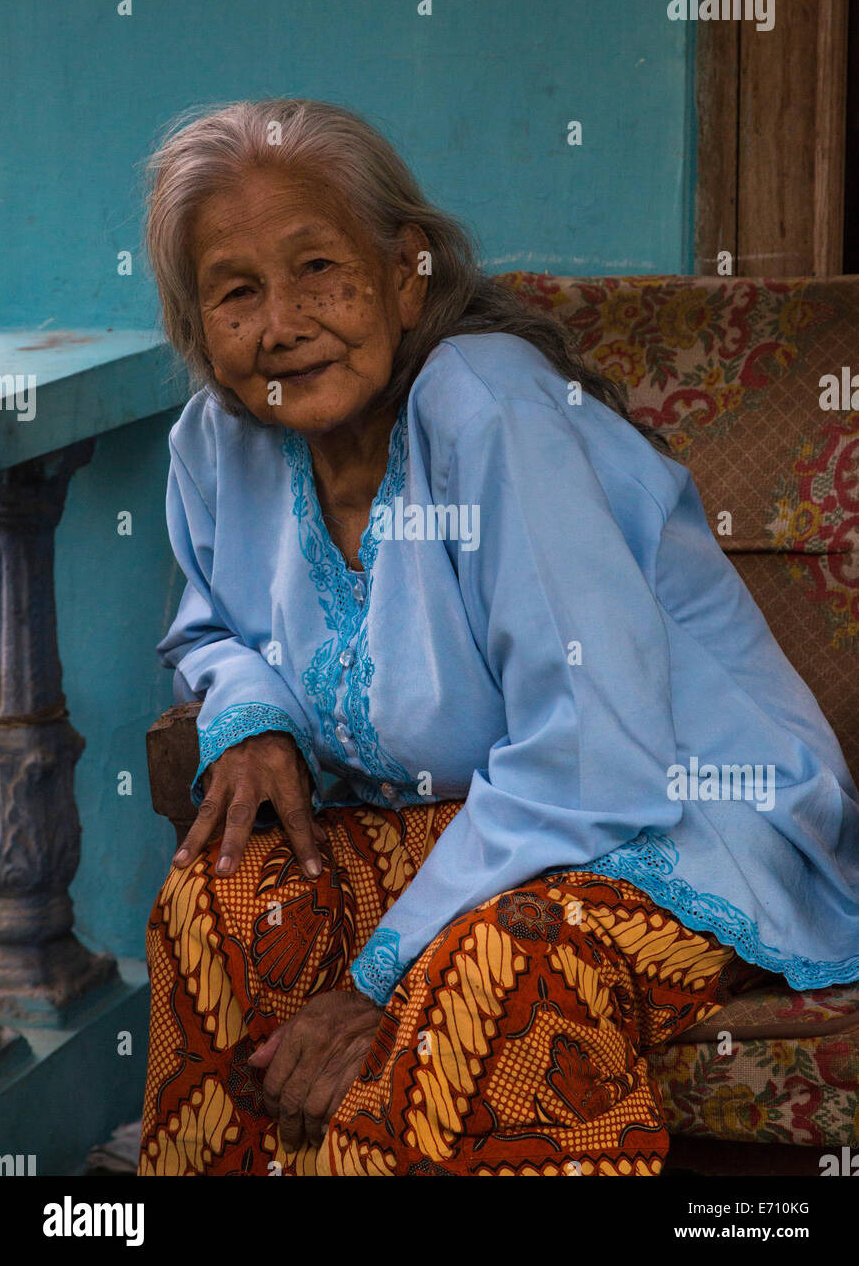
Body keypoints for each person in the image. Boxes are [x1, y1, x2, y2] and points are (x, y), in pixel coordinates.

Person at [137, 97, 859, 1177]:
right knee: (221, 899)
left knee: (496, 966)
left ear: (405, 274)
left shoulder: (490, 406)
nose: (281, 322)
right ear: (199, 325)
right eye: (237, 292)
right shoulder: (217, 441)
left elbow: (596, 757)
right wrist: (249, 714)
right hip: (482, 826)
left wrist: (373, 978)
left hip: (680, 821)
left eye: (319, 269)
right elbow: (205, 624)